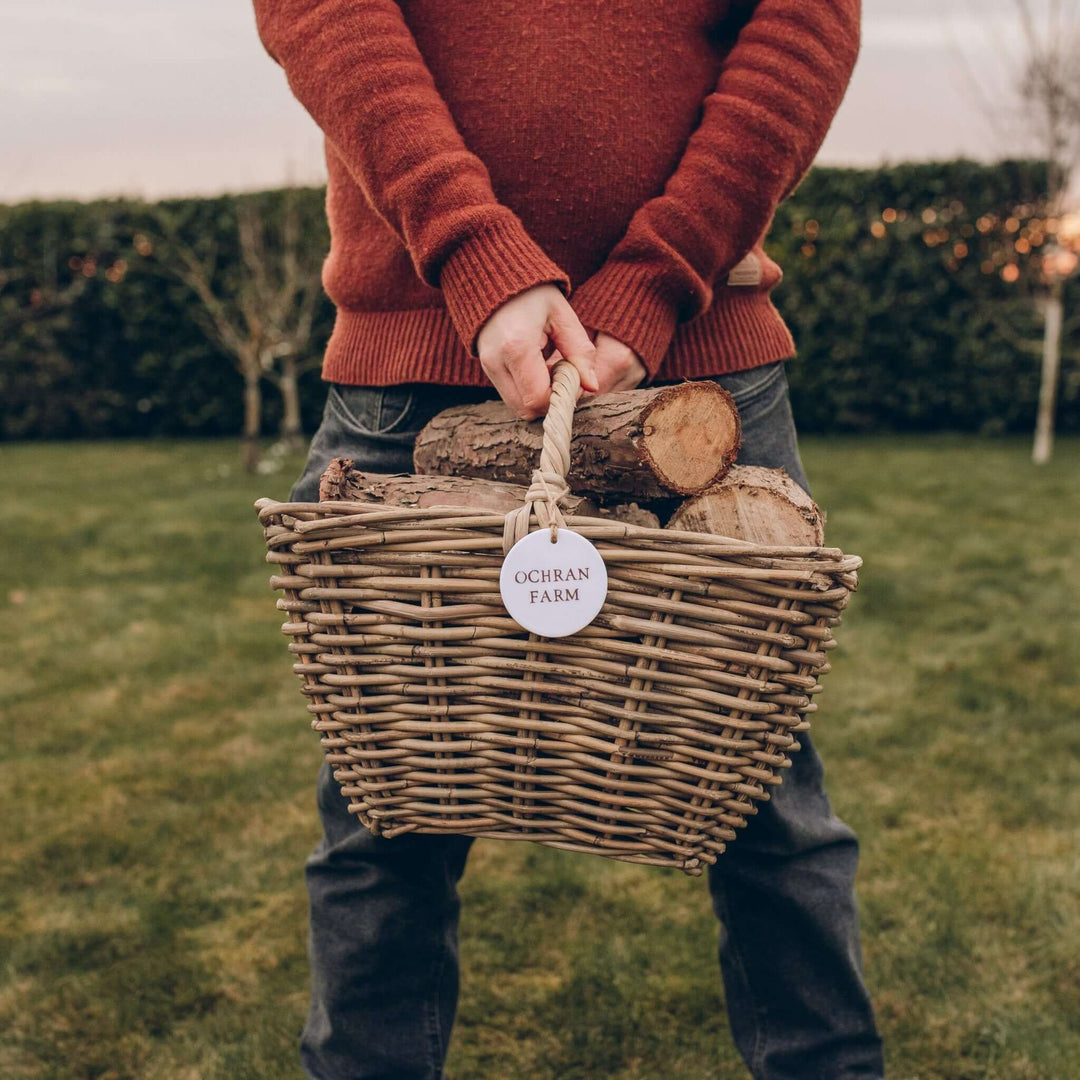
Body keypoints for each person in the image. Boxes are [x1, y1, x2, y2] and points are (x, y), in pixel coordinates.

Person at [252, 0, 883, 1076]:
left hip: (694, 380)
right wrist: (474, 252)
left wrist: (658, 277)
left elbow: (806, 18)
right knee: (384, 817)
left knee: (768, 805)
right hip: (415, 371)